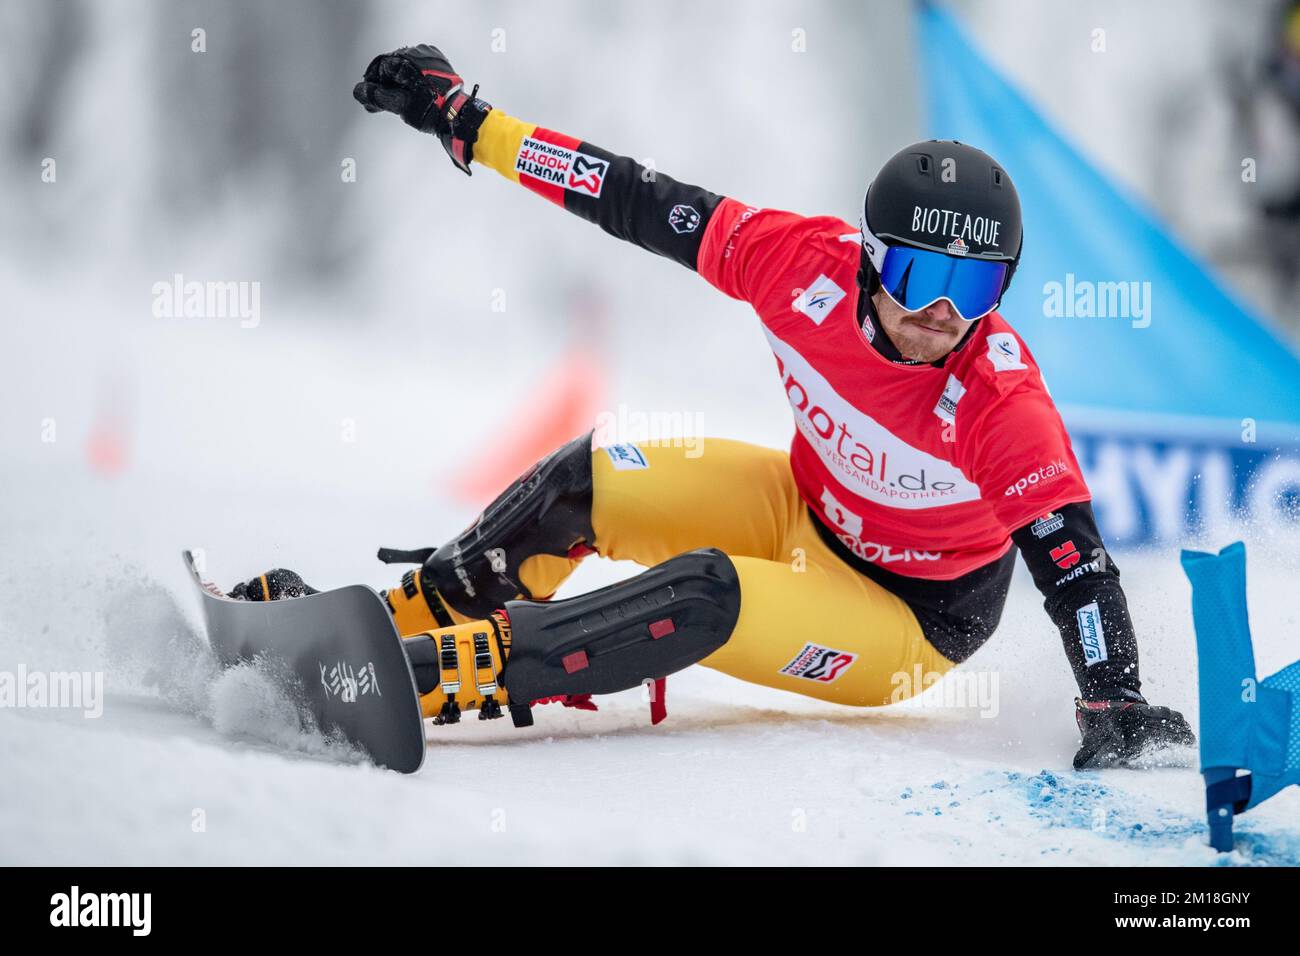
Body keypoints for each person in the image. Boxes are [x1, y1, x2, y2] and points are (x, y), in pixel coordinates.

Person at [235, 44, 1196, 770]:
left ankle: (430, 677)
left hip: (907, 620)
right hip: (805, 507)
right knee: (595, 476)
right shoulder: (795, 261)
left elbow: (1075, 569)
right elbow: (629, 197)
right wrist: (469, 122)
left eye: (975, 291)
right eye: (916, 275)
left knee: (708, 591)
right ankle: (392, 623)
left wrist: (1117, 705)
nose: (941, 317)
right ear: (867, 259)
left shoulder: (998, 400)